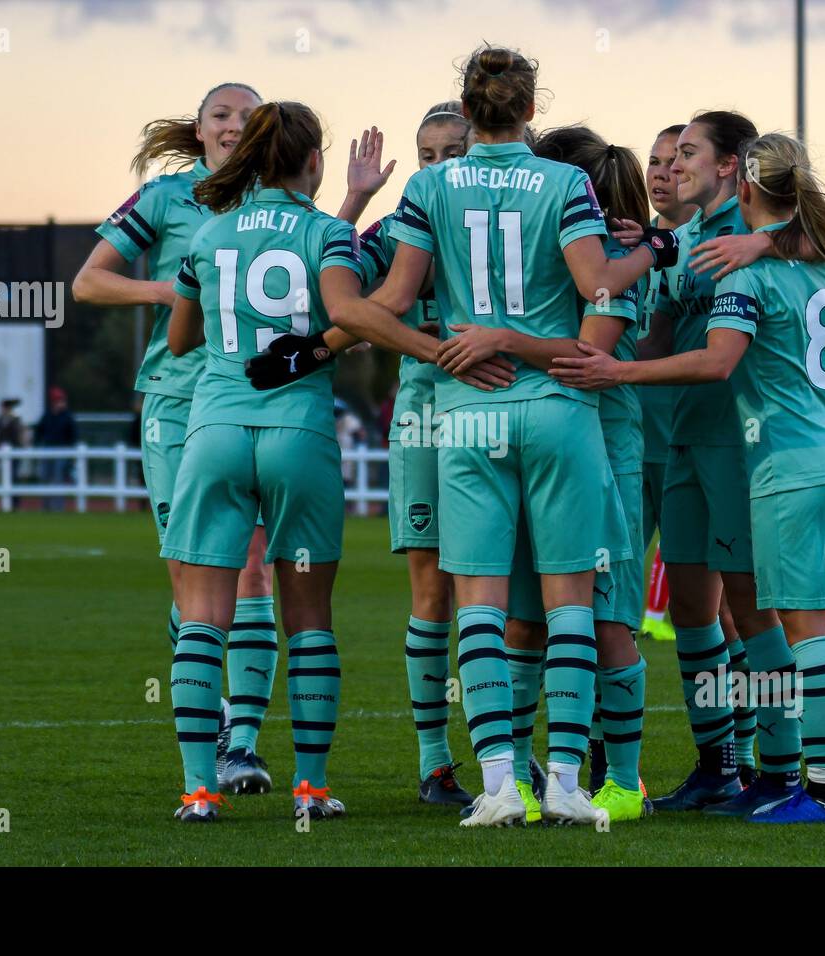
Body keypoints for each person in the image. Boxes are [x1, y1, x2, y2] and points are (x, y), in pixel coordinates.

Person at [344, 46, 677, 827]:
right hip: (560, 409)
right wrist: (646, 254)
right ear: (532, 111)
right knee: (570, 606)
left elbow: (387, 300)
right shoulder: (566, 182)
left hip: (466, 410)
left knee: (481, 609)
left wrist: (427, 338)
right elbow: (599, 290)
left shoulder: (429, 185)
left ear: (469, 109)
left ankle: (498, 786)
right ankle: (566, 780)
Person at [74, 80, 393, 794]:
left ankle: (234, 748)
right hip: (181, 401)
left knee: (245, 572)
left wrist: (354, 203)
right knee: (196, 583)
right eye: (220, 113)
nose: (232, 124)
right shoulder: (166, 197)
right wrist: (174, 291)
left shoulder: (235, 219)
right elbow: (89, 283)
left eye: (246, 116)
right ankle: (250, 745)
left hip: (230, 399)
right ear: (200, 127)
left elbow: (305, 263)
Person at [553, 131, 825, 823]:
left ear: (736, 171)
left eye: (688, 153)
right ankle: (726, 766)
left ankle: (793, 770)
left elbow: (720, 353)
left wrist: (761, 243)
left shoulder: (759, 245)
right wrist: (643, 254)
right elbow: (667, 329)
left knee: (770, 615)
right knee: (695, 611)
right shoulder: (698, 238)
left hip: (757, 451)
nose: (671, 166)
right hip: (692, 440)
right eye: (664, 159)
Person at [161, 99, 444, 822]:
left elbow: (179, 342)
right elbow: (350, 313)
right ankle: (310, 789)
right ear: (314, 162)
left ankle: (198, 792)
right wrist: (432, 347)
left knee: (201, 619)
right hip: (300, 435)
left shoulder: (210, 231)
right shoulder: (328, 233)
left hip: (215, 430)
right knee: (310, 617)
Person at [449, 122, 655, 823]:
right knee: (526, 623)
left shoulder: (614, 258)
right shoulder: (555, 253)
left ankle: (623, 781)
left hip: (604, 443)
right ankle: (521, 783)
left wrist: (503, 340)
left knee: (607, 617)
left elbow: (585, 358)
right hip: (544, 439)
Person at [354, 101, 477, 807]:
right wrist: (357, 198)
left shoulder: (506, 218)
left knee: (511, 589)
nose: (437, 167)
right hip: (427, 411)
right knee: (434, 590)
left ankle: (517, 755)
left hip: (501, 405)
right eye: (427, 155)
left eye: (452, 151)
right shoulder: (399, 226)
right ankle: (435, 763)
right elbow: (327, 269)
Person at [638, 123, 693, 644]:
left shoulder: (720, 248)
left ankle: (738, 724)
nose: (661, 173)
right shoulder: (627, 244)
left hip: (698, 441)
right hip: (630, 437)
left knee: (717, 607)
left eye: (674, 162)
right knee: (609, 588)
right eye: (653, 161)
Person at [34, 387, 77, 512]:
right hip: (47, 450)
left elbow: (73, 435)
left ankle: (58, 507)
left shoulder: (67, 416)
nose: (60, 402)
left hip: (62, 451)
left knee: (58, 480)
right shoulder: (47, 415)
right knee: (45, 479)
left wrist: (70, 451)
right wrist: (37, 443)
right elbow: (39, 430)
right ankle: (46, 506)